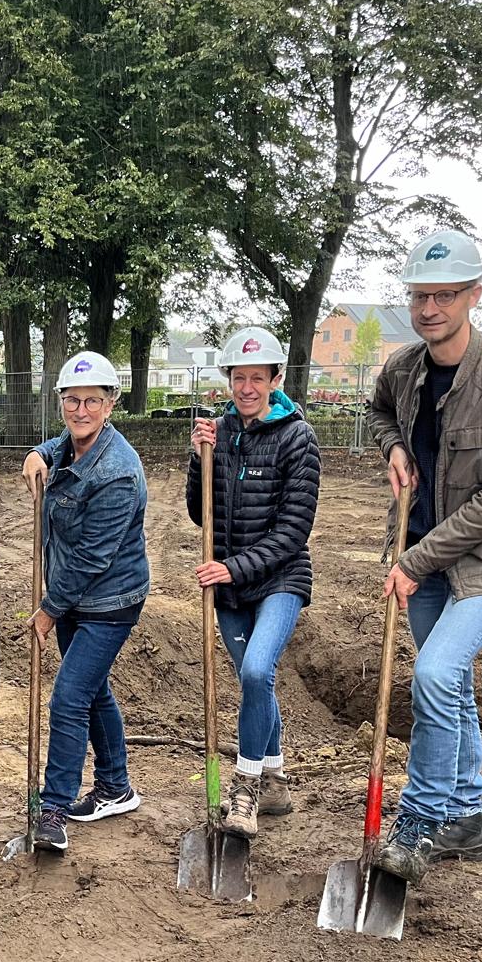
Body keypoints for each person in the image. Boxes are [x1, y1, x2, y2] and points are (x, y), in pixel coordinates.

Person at [367, 229, 482, 884]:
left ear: (475, 295)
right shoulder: (403, 369)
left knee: (436, 677)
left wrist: (414, 563)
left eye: (446, 294)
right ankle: (467, 820)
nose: (430, 308)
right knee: (450, 685)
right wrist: (392, 445)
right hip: (423, 550)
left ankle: (418, 823)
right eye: (420, 295)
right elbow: (380, 411)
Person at [186, 326, 321, 837]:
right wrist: (198, 460)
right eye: (238, 378)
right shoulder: (221, 432)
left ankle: (244, 793)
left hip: (280, 578)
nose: (246, 388)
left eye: (256, 378)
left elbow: (293, 531)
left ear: (275, 379)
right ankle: (275, 774)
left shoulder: (297, 437)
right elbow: (202, 515)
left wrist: (232, 568)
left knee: (256, 671)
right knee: (256, 680)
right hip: (230, 588)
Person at [20, 351, 150, 853]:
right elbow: (60, 444)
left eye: (91, 401)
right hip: (78, 594)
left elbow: (93, 558)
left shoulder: (117, 472)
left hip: (109, 599)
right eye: (71, 400)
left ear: (110, 404)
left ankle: (53, 808)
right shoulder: (71, 445)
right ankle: (116, 786)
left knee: (68, 698)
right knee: (93, 691)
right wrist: (38, 452)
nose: (80, 410)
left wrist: (50, 609)